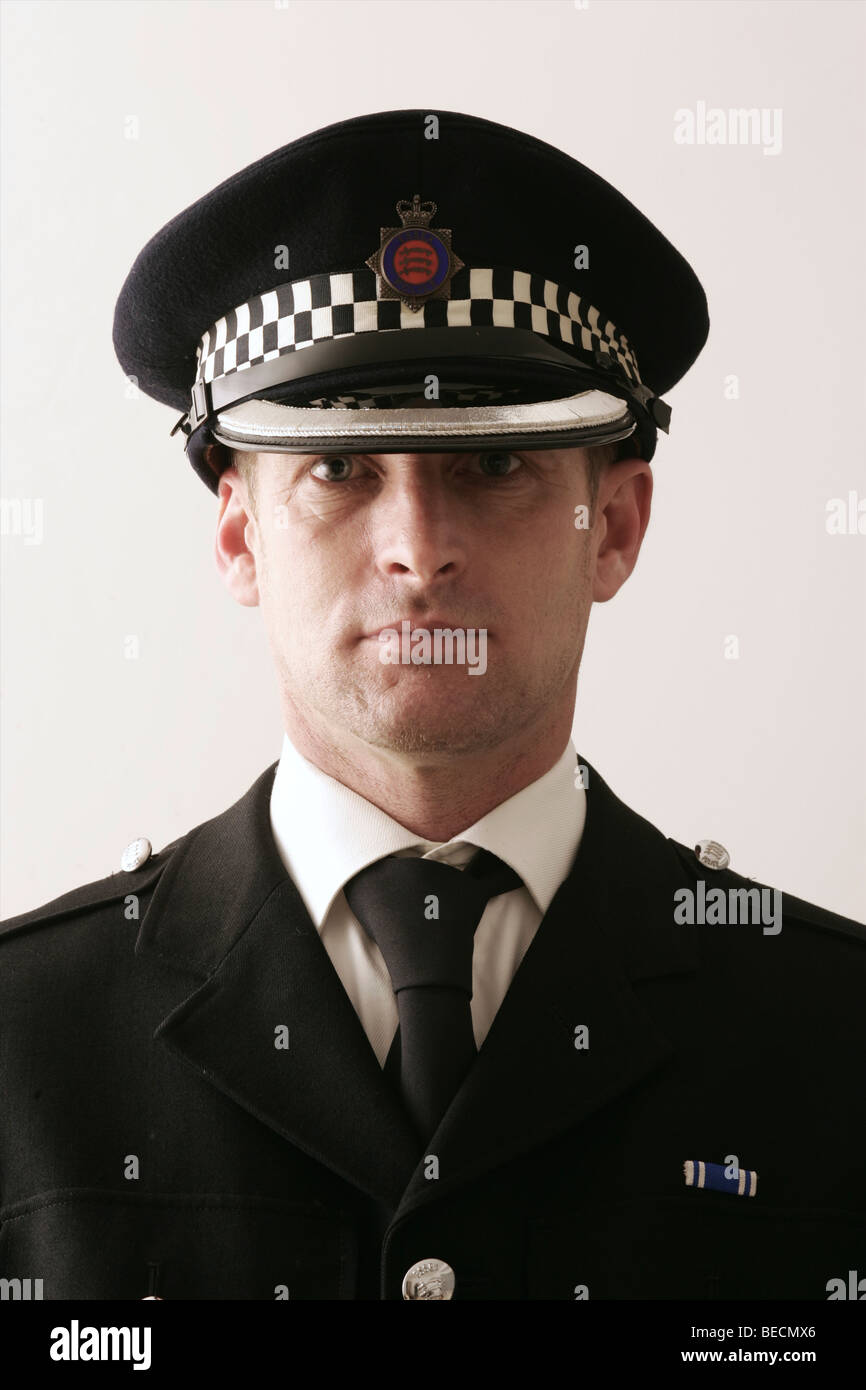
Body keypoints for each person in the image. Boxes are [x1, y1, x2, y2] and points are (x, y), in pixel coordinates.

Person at [1, 109, 864, 1303]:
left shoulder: (832, 1034)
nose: (418, 548)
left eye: (494, 466)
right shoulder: (22, 1041)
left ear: (610, 528)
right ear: (241, 536)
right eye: (340, 469)